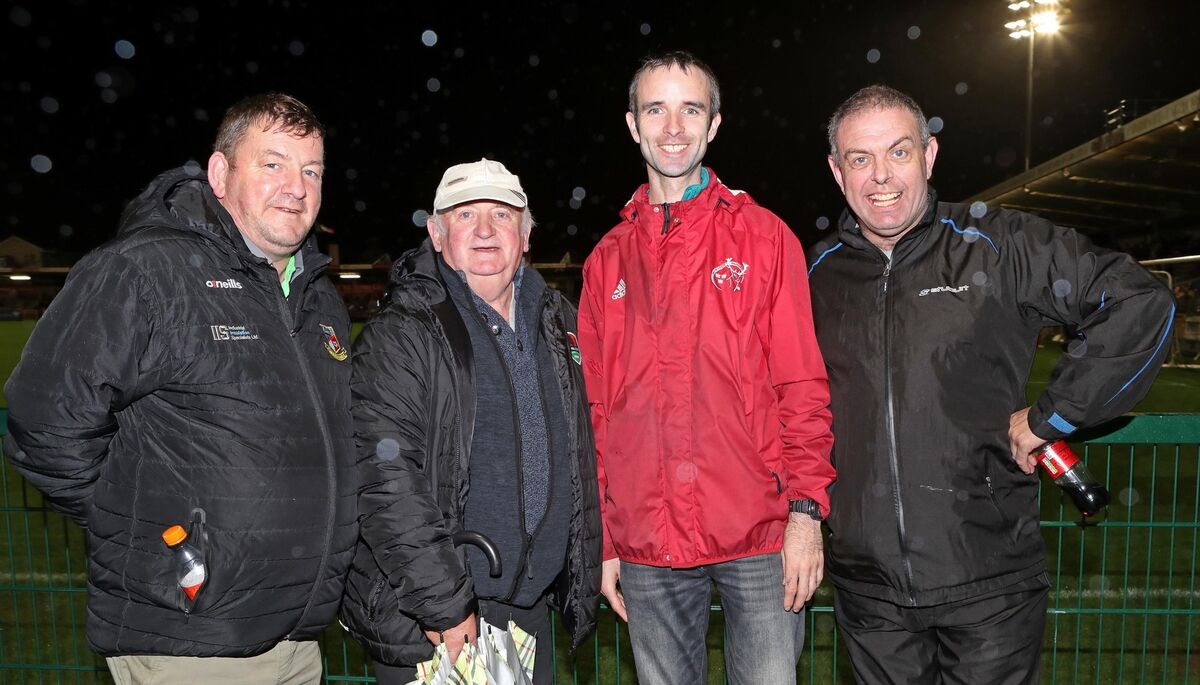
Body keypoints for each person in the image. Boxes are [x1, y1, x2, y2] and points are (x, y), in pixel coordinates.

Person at [808, 84, 1175, 684]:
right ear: (835, 169)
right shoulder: (814, 274)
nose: (882, 177)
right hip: (870, 595)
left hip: (990, 584)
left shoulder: (997, 246)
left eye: (899, 153)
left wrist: (1050, 417)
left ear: (929, 155)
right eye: (859, 158)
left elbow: (1140, 302)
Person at [3, 93, 357, 684]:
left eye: (311, 170)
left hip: (296, 641)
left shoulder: (318, 296)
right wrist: (158, 539)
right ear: (220, 174)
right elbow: (44, 420)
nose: (296, 186)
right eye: (272, 164)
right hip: (189, 643)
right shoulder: (146, 270)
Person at [577, 51, 836, 685]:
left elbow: (801, 385)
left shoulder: (766, 238)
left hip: (760, 533)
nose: (673, 127)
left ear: (714, 124)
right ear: (633, 125)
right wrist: (605, 539)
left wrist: (805, 515)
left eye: (690, 109)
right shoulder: (605, 261)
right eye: (656, 109)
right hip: (648, 543)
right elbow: (596, 416)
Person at [339, 159, 601, 685]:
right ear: (437, 234)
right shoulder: (405, 332)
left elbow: (584, 455)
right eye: (465, 215)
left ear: (526, 236)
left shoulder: (559, 323)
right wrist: (444, 603)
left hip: (529, 614)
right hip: (440, 621)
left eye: (502, 215)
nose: (485, 230)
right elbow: (383, 477)